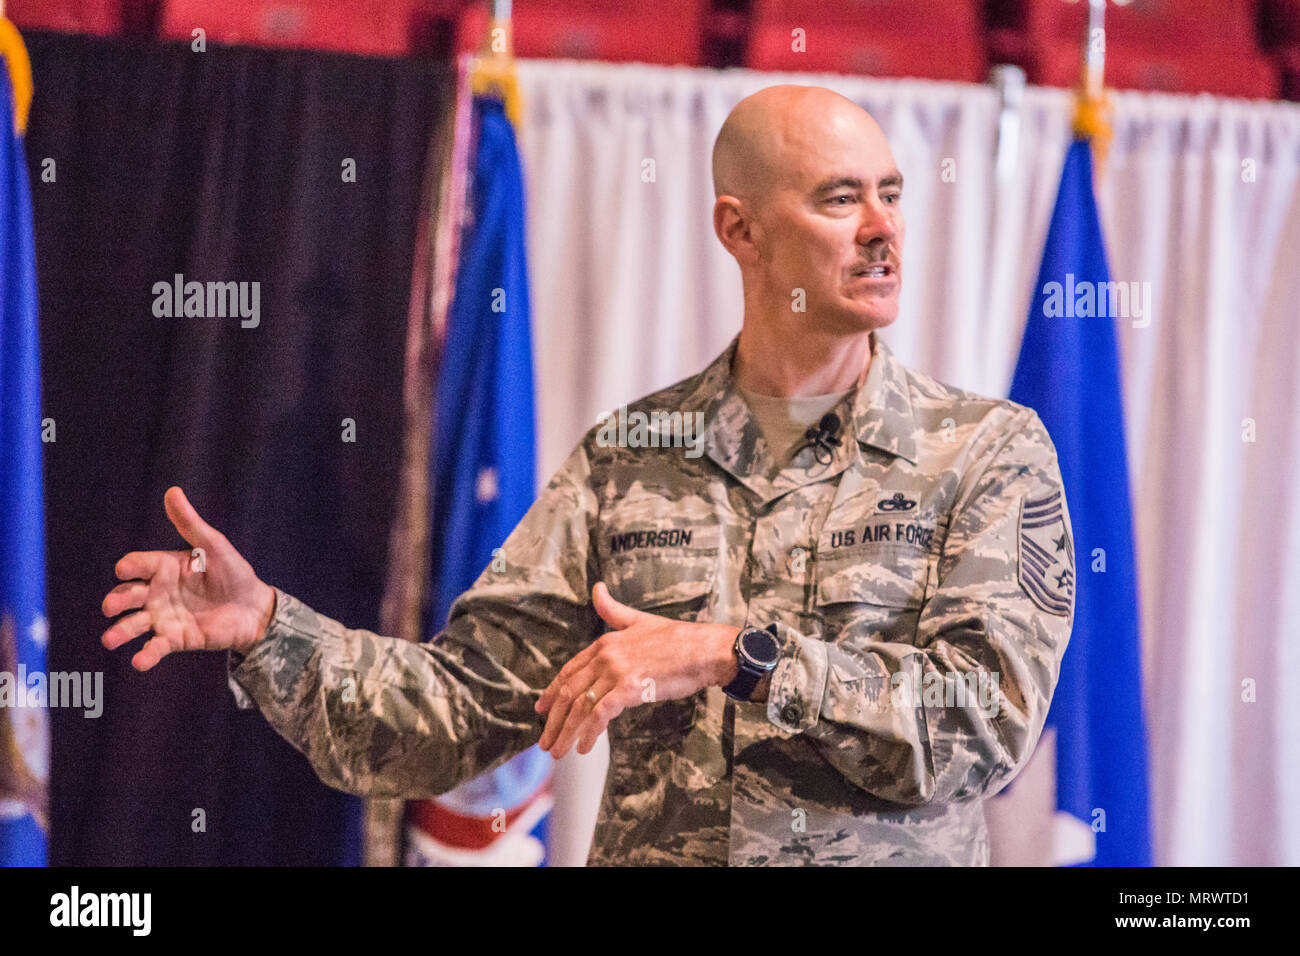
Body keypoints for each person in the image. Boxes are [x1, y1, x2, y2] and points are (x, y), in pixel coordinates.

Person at [101, 85, 1075, 866]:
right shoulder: (633, 454)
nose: (881, 228)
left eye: (891, 194)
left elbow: (984, 727)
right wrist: (272, 624)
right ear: (738, 231)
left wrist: (738, 653)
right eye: (839, 197)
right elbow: (452, 712)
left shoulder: (984, 452)